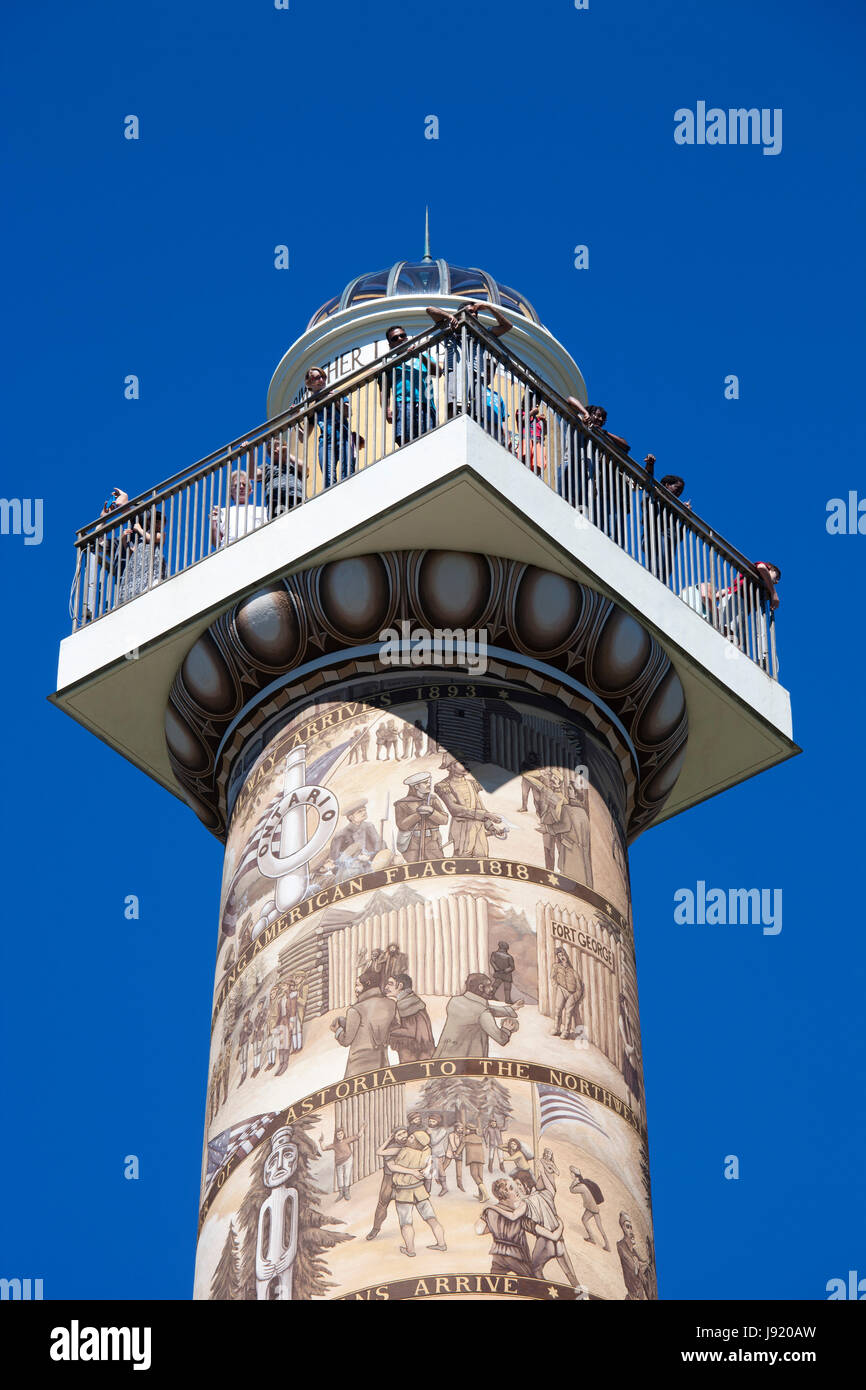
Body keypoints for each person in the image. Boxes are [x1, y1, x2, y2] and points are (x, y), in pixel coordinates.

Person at [425, 300, 512, 419]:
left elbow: (507, 326)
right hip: (455, 369)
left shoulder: (481, 332)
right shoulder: (451, 327)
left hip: (477, 373)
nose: (475, 314)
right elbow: (430, 309)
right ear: (461, 313)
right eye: (470, 312)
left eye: (476, 312)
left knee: (477, 410)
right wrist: (449, 316)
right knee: (454, 403)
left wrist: (489, 307)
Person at [300, 365, 364, 489]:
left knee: (348, 471)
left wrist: (334, 399)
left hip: (343, 436)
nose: (321, 380)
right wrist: (296, 420)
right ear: (309, 383)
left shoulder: (334, 393)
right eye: (317, 378)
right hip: (326, 441)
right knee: (328, 478)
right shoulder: (312, 406)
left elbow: (347, 413)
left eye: (323, 377)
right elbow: (303, 437)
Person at [379, 323, 440, 446]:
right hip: (403, 403)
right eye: (395, 338)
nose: (400, 339)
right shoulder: (390, 364)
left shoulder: (423, 357)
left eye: (402, 336)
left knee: (430, 440)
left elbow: (438, 372)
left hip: (426, 404)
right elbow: (384, 390)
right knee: (404, 439)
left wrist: (419, 354)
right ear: (390, 345)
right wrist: (386, 410)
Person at [512, 1170, 577, 1285]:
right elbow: (551, 1187)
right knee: (571, 1275)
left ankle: (546, 1293)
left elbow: (515, 1214)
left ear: (526, 1183)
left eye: (519, 1184)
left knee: (535, 1270)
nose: (518, 1188)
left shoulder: (525, 1203)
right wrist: (542, 1170)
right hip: (559, 1241)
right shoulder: (547, 1194)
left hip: (545, 1242)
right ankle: (582, 1296)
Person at [433, 973, 519, 1059]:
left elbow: (480, 1009)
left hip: (442, 1058)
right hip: (466, 1063)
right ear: (481, 988)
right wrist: (506, 1029)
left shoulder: (455, 1001)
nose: (492, 989)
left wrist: (510, 1009)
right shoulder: (482, 1012)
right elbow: (501, 1039)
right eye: (489, 986)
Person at [389, 1130, 447, 1256]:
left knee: (406, 1223)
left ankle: (410, 1250)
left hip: (404, 1192)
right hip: (420, 1190)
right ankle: (441, 1244)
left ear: (416, 1142)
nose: (407, 1138)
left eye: (411, 1138)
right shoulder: (427, 1152)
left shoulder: (405, 1151)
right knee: (431, 1219)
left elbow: (393, 1166)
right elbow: (428, 1173)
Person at [331, 968, 397, 1077]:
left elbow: (346, 1040)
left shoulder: (355, 1010)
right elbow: (395, 1025)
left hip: (358, 1066)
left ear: (367, 984)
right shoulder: (391, 1004)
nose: (355, 989)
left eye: (358, 985)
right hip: (382, 1063)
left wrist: (338, 1030)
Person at [435, 753, 504, 857]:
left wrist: (490, 827)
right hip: (461, 828)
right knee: (463, 861)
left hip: (479, 828)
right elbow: (455, 809)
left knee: (482, 858)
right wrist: (486, 815)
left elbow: (480, 807)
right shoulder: (444, 785)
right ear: (450, 766)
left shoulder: (472, 783)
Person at [475, 1178, 533, 1277]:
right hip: (516, 1255)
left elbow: (479, 1231)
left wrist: (494, 1226)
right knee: (531, 1282)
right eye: (511, 1188)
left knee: (494, 1284)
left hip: (498, 1255)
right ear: (503, 1194)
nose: (516, 1190)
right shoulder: (519, 1210)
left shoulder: (490, 1211)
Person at [366, 1126, 410, 1240]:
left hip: (405, 1178)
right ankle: (376, 1228)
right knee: (383, 1203)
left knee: (405, 1205)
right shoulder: (392, 1147)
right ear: (394, 1138)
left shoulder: (411, 1144)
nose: (403, 1136)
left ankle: (407, 1231)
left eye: (404, 1132)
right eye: (399, 1135)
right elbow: (391, 1166)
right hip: (390, 1179)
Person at [394, 772, 449, 862]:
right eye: (425, 783)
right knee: (414, 869)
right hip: (413, 843)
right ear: (416, 787)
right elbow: (401, 825)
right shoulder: (402, 804)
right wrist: (418, 814)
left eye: (428, 782)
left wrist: (432, 811)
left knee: (437, 866)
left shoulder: (433, 799)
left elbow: (445, 820)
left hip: (432, 840)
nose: (429, 784)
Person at [116, 503, 166, 601]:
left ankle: (151, 584)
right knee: (132, 579)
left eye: (162, 524)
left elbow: (151, 538)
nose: (160, 526)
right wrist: (123, 538)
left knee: (151, 577)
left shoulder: (161, 534)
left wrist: (139, 529)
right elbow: (131, 551)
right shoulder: (141, 539)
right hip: (137, 564)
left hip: (151, 560)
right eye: (157, 522)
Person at [211, 468, 267, 547]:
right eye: (236, 485)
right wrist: (213, 524)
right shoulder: (222, 512)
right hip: (230, 551)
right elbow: (217, 543)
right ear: (230, 491)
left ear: (250, 490)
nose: (241, 487)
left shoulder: (262, 510)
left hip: (257, 548)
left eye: (244, 484)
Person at [551, 781, 593, 886]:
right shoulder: (584, 813)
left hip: (570, 849)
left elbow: (564, 826)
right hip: (582, 852)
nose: (568, 790)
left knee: (567, 879)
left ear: (575, 793)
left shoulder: (567, 808)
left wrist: (548, 828)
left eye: (570, 789)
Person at [386, 972, 434, 1062]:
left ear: (400, 986)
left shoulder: (407, 1004)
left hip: (413, 1054)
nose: (386, 987)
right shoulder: (411, 1000)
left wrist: (388, 1032)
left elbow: (410, 1031)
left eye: (390, 984)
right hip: (423, 1052)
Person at [330, 800, 383, 879]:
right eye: (359, 811)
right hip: (351, 871)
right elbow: (335, 860)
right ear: (351, 817)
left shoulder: (369, 826)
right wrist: (355, 859)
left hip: (372, 865)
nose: (364, 812)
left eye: (364, 809)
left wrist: (370, 857)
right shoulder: (341, 834)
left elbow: (378, 844)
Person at [321, 1123, 365, 1202]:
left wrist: (362, 1128)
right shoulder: (334, 1145)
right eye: (338, 1134)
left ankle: (347, 1192)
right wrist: (321, 1141)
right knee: (340, 1178)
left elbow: (358, 1136)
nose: (340, 1135)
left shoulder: (346, 1140)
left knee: (347, 1176)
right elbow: (324, 1148)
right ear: (336, 1136)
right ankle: (341, 1193)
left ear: (343, 1134)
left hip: (348, 1159)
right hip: (338, 1163)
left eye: (341, 1134)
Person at [569, 1168, 611, 1250]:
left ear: (574, 1174)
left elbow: (572, 1190)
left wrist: (574, 1182)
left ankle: (592, 1238)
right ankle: (607, 1245)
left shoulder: (582, 1186)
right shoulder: (584, 1183)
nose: (570, 1174)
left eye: (571, 1173)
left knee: (584, 1220)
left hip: (591, 1208)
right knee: (599, 1226)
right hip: (594, 1207)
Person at [262, 436, 304, 516]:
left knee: (299, 519)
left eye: (279, 445)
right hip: (276, 499)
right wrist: (250, 452)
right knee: (280, 524)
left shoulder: (293, 464)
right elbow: (252, 475)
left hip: (296, 496)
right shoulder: (267, 467)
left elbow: (305, 469)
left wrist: (287, 455)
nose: (277, 449)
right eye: (273, 448)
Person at [550, 946, 585, 1040]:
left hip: (572, 993)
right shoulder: (556, 966)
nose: (562, 957)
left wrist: (576, 995)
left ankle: (566, 1031)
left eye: (563, 955)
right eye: (559, 955)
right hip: (561, 989)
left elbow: (579, 985)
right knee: (558, 1009)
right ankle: (557, 1028)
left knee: (568, 1011)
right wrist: (556, 986)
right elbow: (552, 977)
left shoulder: (572, 971)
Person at [617, 1210, 652, 1299]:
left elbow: (642, 1261)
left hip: (639, 1289)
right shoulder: (621, 1245)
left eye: (631, 1227)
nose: (630, 1230)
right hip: (633, 1289)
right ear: (622, 1228)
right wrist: (639, 1264)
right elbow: (633, 1267)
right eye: (627, 1227)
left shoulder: (632, 1246)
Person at [456, 1123, 488, 1201]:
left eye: (465, 1129)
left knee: (474, 1175)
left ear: (468, 1130)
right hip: (480, 1158)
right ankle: (481, 1195)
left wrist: (456, 1154)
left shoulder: (466, 1138)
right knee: (480, 1176)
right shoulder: (479, 1138)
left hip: (473, 1158)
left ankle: (486, 1195)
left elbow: (460, 1148)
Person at [515, 402, 547, 476]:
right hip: (527, 438)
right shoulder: (521, 411)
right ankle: (522, 471)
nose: (537, 405)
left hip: (538, 443)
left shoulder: (538, 419)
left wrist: (544, 422)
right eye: (535, 402)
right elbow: (521, 420)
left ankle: (534, 476)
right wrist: (532, 412)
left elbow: (544, 432)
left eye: (538, 403)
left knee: (539, 463)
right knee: (525, 455)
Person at [236, 1009, 253, 1087]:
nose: (244, 1019)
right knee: (241, 1059)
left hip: (245, 1043)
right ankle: (242, 1072)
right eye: (244, 1018)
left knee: (244, 1058)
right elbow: (240, 1037)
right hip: (241, 1044)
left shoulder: (250, 1024)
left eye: (246, 1018)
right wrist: (239, 1046)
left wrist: (247, 1031)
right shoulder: (243, 1026)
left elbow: (250, 1032)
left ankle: (244, 1073)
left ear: (248, 1018)